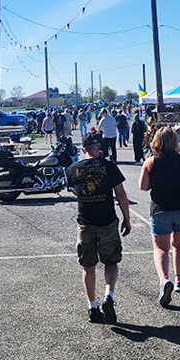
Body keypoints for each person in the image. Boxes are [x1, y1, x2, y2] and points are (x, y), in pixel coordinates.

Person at [67, 132, 132, 324]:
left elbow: (75, 191)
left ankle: (92, 306)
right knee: (111, 261)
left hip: (86, 223)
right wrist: (126, 218)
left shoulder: (73, 169)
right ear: (98, 148)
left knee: (88, 266)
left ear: (83, 149)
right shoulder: (109, 166)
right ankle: (108, 296)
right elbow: (120, 194)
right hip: (107, 221)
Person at [139, 127, 180, 306]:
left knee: (161, 248)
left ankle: (164, 280)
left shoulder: (151, 162)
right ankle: (179, 280)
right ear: (175, 142)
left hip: (161, 209)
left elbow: (143, 186)